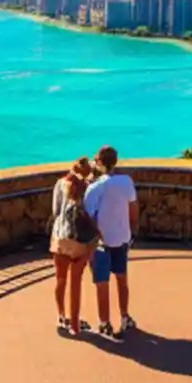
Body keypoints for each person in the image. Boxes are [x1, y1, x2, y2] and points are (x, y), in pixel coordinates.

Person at [84, 145, 138, 339]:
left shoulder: (94, 188)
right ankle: (124, 316)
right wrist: (132, 232)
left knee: (102, 283)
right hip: (122, 238)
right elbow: (133, 210)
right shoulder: (127, 182)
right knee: (122, 279)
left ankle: (104, 322)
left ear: (99, 163)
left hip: (101, 243)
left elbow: (87, 217)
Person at [49, 158, 97, 336]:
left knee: (60, 279)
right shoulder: (88, 188)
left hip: (60, 238)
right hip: (78, 242)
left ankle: (61, 316)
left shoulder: (60, 184)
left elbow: (55, 211)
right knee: (76, 283)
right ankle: (75, 325)